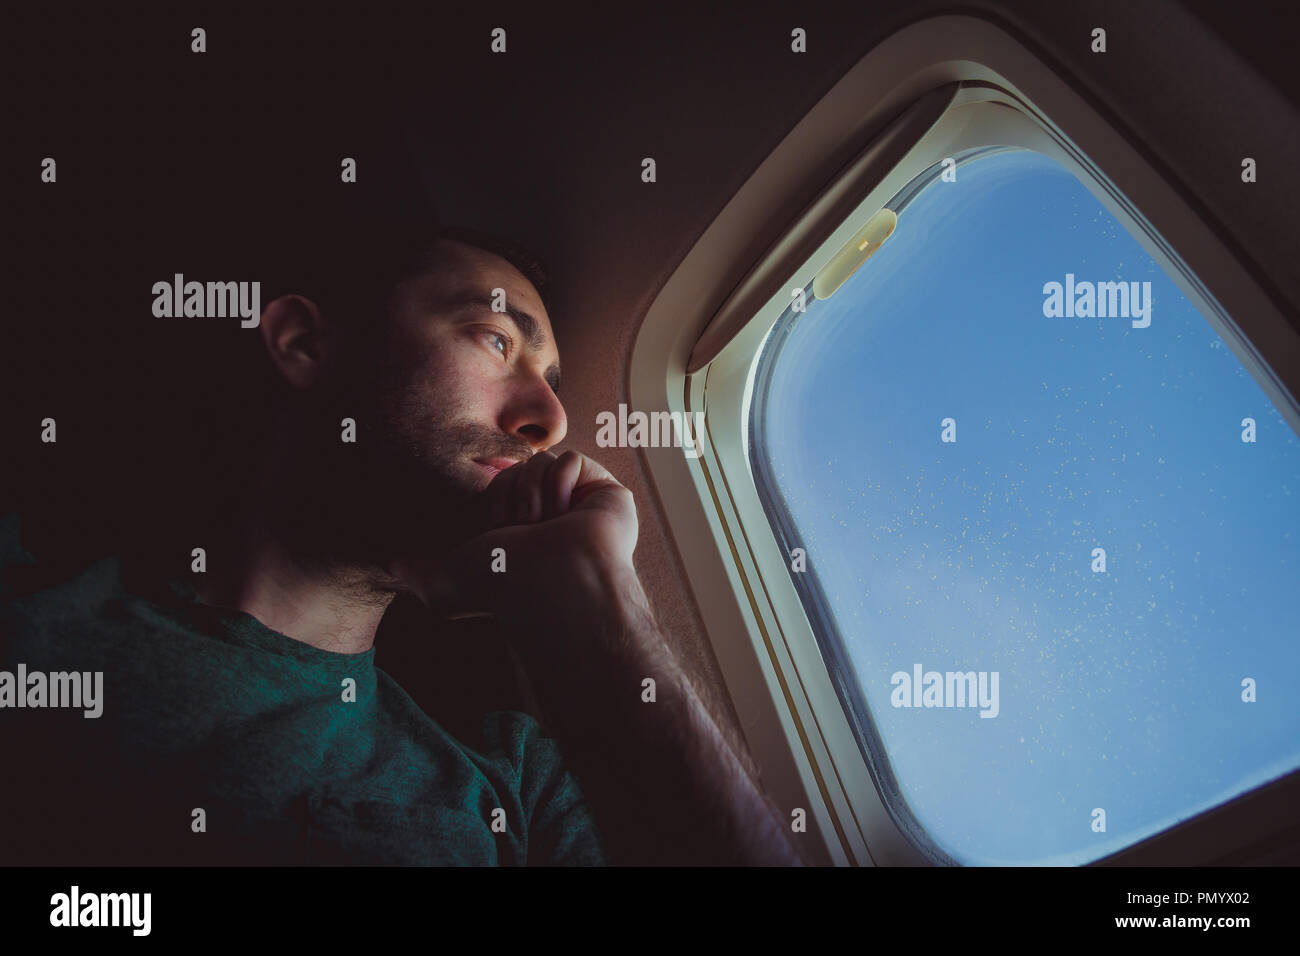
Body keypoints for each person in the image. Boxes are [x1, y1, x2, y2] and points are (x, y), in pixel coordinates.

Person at [0, 221, 804, 866]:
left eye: (554, 381)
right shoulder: (32, 615)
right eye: (495, 339)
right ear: (306, 345)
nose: (551, 420)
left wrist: (606, 609)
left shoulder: (515, 787)